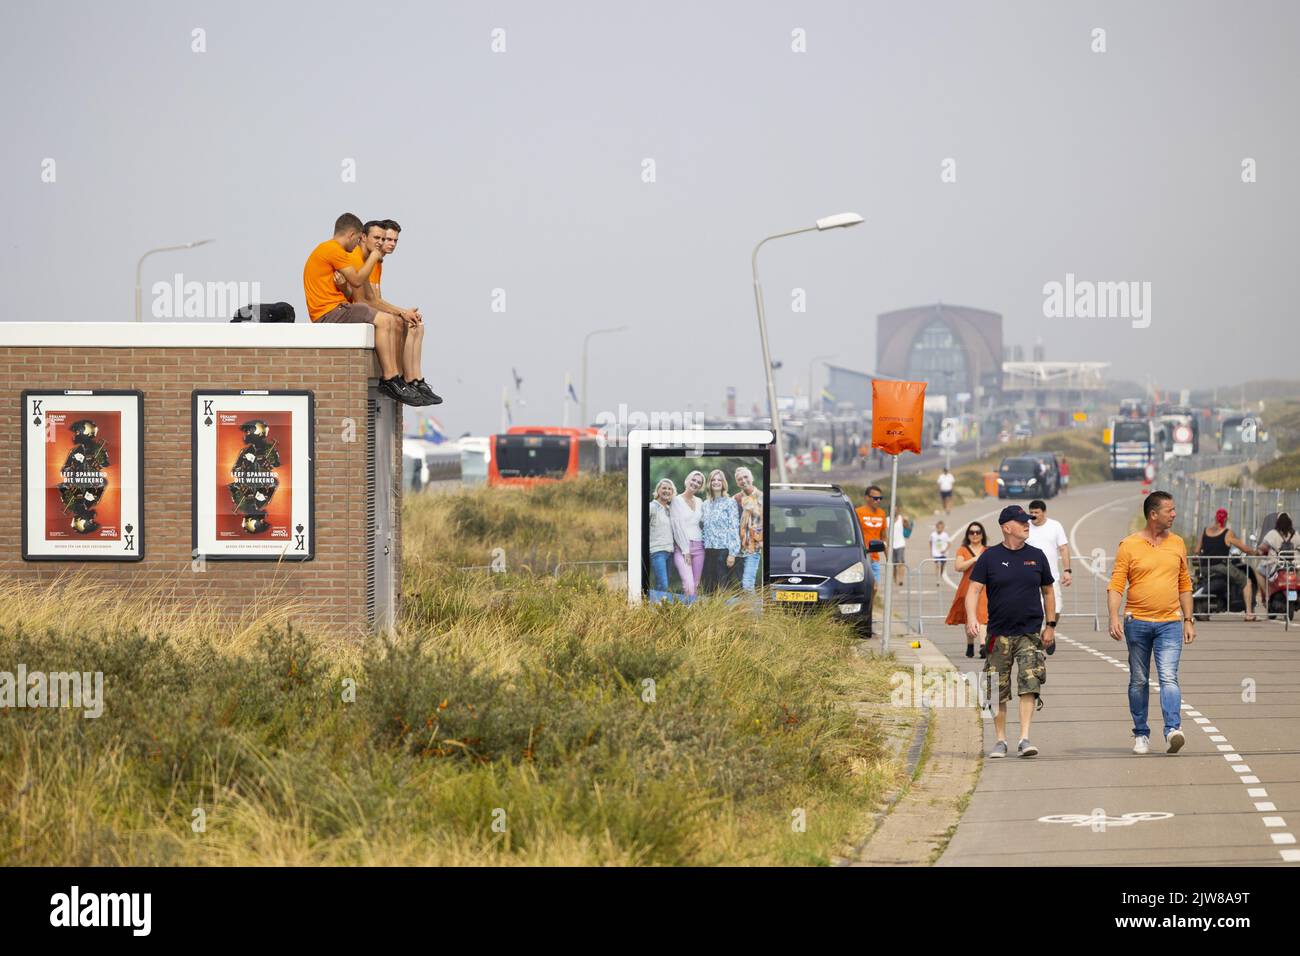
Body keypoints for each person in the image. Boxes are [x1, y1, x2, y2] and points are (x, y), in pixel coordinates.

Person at [303, 213, 426, 405]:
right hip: (330, 312)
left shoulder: (331, 250)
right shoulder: (335, 251)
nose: (358, 244)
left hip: (336, 308)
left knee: (400, 322)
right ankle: (390, 378)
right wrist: (375, 257)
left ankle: (406, 379)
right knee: (385, 320)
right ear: (353, 235)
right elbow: (359, 283)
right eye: (365, 238)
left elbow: (360, 291)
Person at [1108, 491, 1194, 756]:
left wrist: (1189, 619)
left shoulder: (1178, 543)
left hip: (1170, 622)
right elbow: (1116, 583)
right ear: (1153, 514)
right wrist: (1113, 616)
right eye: (1170, 510)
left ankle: (1172, 730)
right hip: (1137, 621)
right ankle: (1141, 733)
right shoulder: (1129, 545)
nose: (1174, 514)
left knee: (1169, 677)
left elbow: (1184, 583)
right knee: (1139, 679)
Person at [965, 505, 1055, 758]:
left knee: (1030, 683)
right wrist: (972, 618)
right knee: (997, 688)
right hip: (998, 635)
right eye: (1022, 522)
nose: (1027, 524)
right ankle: (1001, 740)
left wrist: (1051, 626)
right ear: (1007, 528)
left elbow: (1048, 591)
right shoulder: (989, 557)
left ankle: (1025, 738)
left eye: (1028, 521)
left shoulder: (1036, 556)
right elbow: (973, 590)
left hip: (1029, 633)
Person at [334, 219, 440, 406]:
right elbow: (364, 300)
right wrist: (401, 313)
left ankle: (414, 380)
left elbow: (374, 299)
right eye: (383, 239)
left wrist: (402, 312)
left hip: (363, 311)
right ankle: (398, 378)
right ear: (363, 237)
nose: (387, 244)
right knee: (400, 321)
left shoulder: (375, 262)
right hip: (350, 314)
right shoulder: (361, 259)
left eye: (392, 240)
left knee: (416, 325)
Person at [1195, 508, 1258, 620]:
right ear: (1226, 519)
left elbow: (1197, 550)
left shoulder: (1205, 531)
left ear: (1215, 518)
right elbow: (1243, 548)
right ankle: (1249, 613)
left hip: (1204, 567)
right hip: (1221, 567)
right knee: (1246, 582)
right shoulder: (1227, 533)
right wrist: (1256, 552)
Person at [947, 521, 990, 658]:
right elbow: (958, 567)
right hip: (967, 586)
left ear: (982, 534)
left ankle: (983, 645)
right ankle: (970, 644)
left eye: (978, 532)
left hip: (984, 587)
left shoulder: (988, 550)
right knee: (969, 617)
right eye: (972, 532)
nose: (975, 535)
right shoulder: (963, 550)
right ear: (968, 535)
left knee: (983, 615)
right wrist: (974, 560)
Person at [1027, 499, 1071, 618]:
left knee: (1056, 609)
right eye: (1031, 512)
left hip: (1051, 576)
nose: (1033, 515)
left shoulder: (1055, 526)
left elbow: (1063, 548)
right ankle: (1042, 635)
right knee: (1035, 612)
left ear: (1044, 512)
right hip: (1030, 577)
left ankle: (1049, 630)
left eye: (1036, 512)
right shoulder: (1025, 526)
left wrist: (1067, 571)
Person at [700, 469, 740, 594]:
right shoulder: (705, 504)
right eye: (713, 479)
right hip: (708, 550)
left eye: (719, 479)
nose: (716, 482)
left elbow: (734, 527)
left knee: (722, 587)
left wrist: (732, 553)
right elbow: (704, 528)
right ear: (709, 483)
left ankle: (725, 613)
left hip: (724, 550)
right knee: (708, 588)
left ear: (723, 483)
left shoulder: (730, 502)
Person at [670, 470, 706, 601]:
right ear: (687, 480)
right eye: (693, 480)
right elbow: (677, 527)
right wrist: (685, 550)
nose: (695, 483)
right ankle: (689, 613)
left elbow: (704, 523)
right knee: (688, 585)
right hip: (682, 548)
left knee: (696, 585)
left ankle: (694, 616)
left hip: (699, 546)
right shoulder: (676, 500)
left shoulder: (700, 501)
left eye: (699, 482)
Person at [1257, 512, 1299, 614]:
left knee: (1258, 571)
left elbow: (1262, 549)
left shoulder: (1272, 534)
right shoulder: (1296, 535)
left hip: (1276, 565)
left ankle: (1267, 595)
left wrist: (1260, 551)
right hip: (1294, 565)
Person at [733, 466, 764, 591]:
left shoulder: (762, 497)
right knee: (739, 587)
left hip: (753, 547)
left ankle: (753, 611)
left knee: (747, 584)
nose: (743, 481)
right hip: (736, 549)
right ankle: (748, 610)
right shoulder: (735, 499)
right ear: (737, 483)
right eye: (740, 479)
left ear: (752, 478)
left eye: (746, 477)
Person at [647, 478, 678, 602]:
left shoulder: (670, 509)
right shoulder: (651, 507)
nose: (666, 491)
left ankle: (659, 609)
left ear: (672, 492)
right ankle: (655, 611)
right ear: (658, 490)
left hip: (670, 552)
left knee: (663, 585)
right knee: (663, 584)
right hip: (657, 551)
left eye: (669, 489)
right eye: (664, 488)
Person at [854, 486, 888, 587]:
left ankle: (871, 603)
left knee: (875, 587)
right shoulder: (858, 512)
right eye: (875, 498)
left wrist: (888, 558)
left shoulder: (881, 514)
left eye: (880, 498)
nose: (878, 501)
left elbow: (884, 537)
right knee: (863, 587)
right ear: (867, 498)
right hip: (861, 557)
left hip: (874, 558)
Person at [891, 511, 912, 586]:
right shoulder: (887, 519)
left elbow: (908, 527)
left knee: (900, 562)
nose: (895, 511)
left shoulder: (901, 518)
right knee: (893, 564)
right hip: (891, 545)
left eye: (896, 509)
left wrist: (906, 521)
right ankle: (895, 579)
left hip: (900, 544)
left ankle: (901, 580)